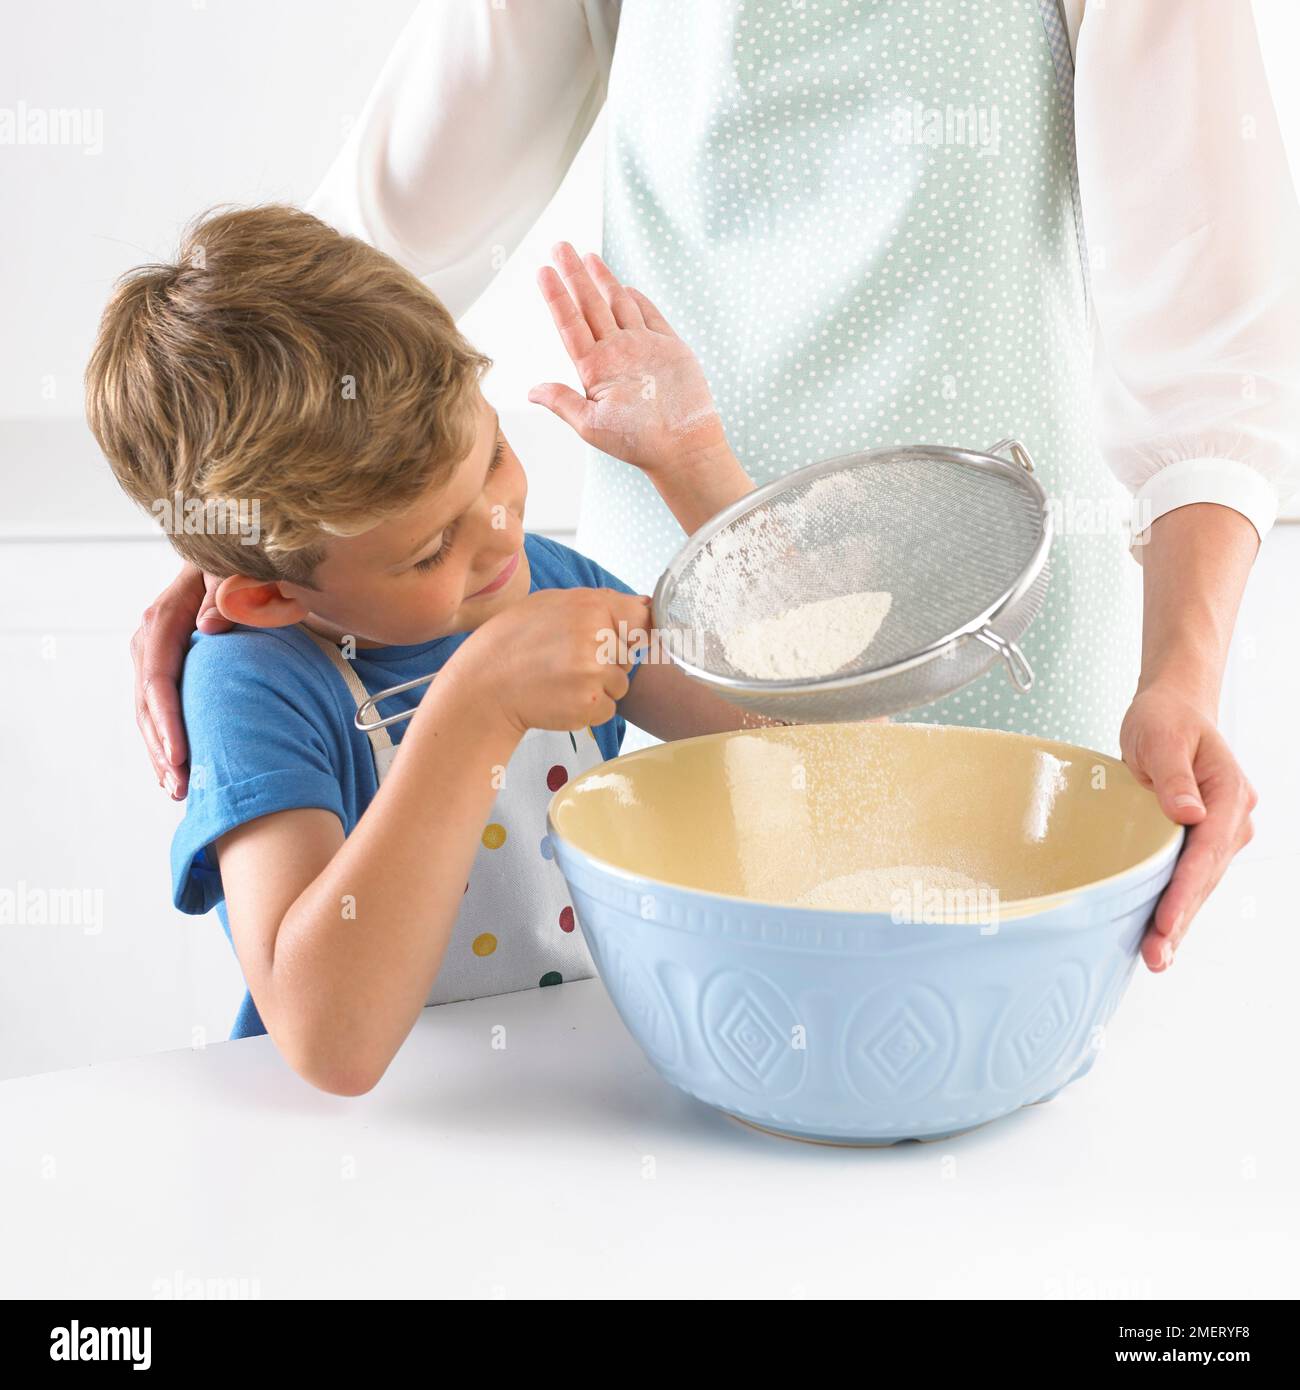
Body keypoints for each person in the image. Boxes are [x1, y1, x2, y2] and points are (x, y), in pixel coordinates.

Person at [127, 1, 1300, 972]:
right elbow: (389, 230)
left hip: (993, 618)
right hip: (678, 610)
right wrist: (248, 509)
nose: (485, 510)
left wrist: (1183, 676)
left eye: (489, 464)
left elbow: (1214, 349)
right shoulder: (541, 599)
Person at [86, 205, 766, 1094]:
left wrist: (697, 467)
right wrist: (475, 704)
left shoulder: (543, 581)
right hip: (376, 1155)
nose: (497, 534)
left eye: (492, 459)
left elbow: (790, 722)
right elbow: (334, 1044)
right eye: (428, 550)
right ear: (267, 594)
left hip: (578, 1094)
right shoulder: (254, 685)